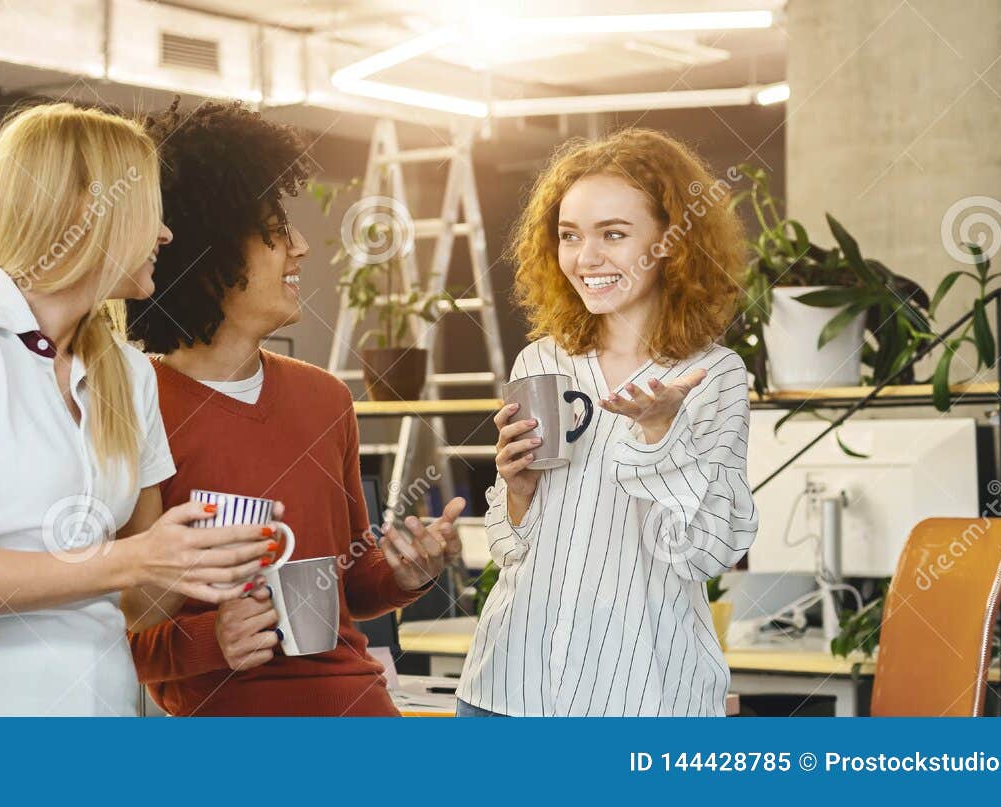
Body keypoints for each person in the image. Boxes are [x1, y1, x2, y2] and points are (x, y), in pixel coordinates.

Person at [0, 102, 275, 716]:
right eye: (150, 209)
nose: (166, 234)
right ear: (88, 208)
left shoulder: (129, 373)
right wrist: (129, 558)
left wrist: (199, 564)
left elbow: (137, 603)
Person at [124, 100, 465, 716]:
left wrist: (406, 574)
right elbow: (114, 620)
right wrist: (213, 639)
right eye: (276, 230)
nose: (301, 247)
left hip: (359, 710)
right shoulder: (134, 405)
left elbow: (349, 588)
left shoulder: (326, 399)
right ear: (210, 256)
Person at [457, 128, 759, 717]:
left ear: (673, 242)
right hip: (509, 691)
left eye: (613, 235)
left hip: (646, 697)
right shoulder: (540, 362)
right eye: (570, 236)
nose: (585, 258)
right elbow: (511, 550)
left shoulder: (713, 376)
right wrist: (517, 492)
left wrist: (660, 435)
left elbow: (707, 554)